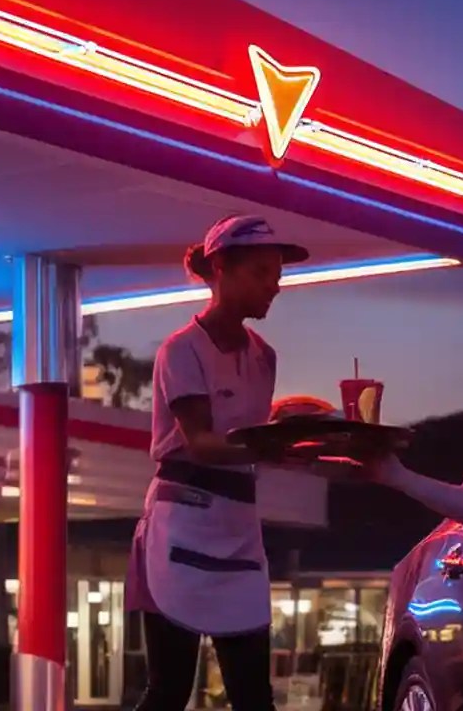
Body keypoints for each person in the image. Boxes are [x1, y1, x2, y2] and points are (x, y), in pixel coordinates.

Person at [126, 213, 312, 711]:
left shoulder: (264, 356)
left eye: (277, 274)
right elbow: (203, 443)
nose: (274, 286)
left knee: (254, 694)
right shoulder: (180, 350)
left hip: (238, 520)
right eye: (261, 272)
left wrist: (294, 439)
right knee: (168, 689)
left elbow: (247, 440)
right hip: (181, 517)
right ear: (221, 270)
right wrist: (274, 446)